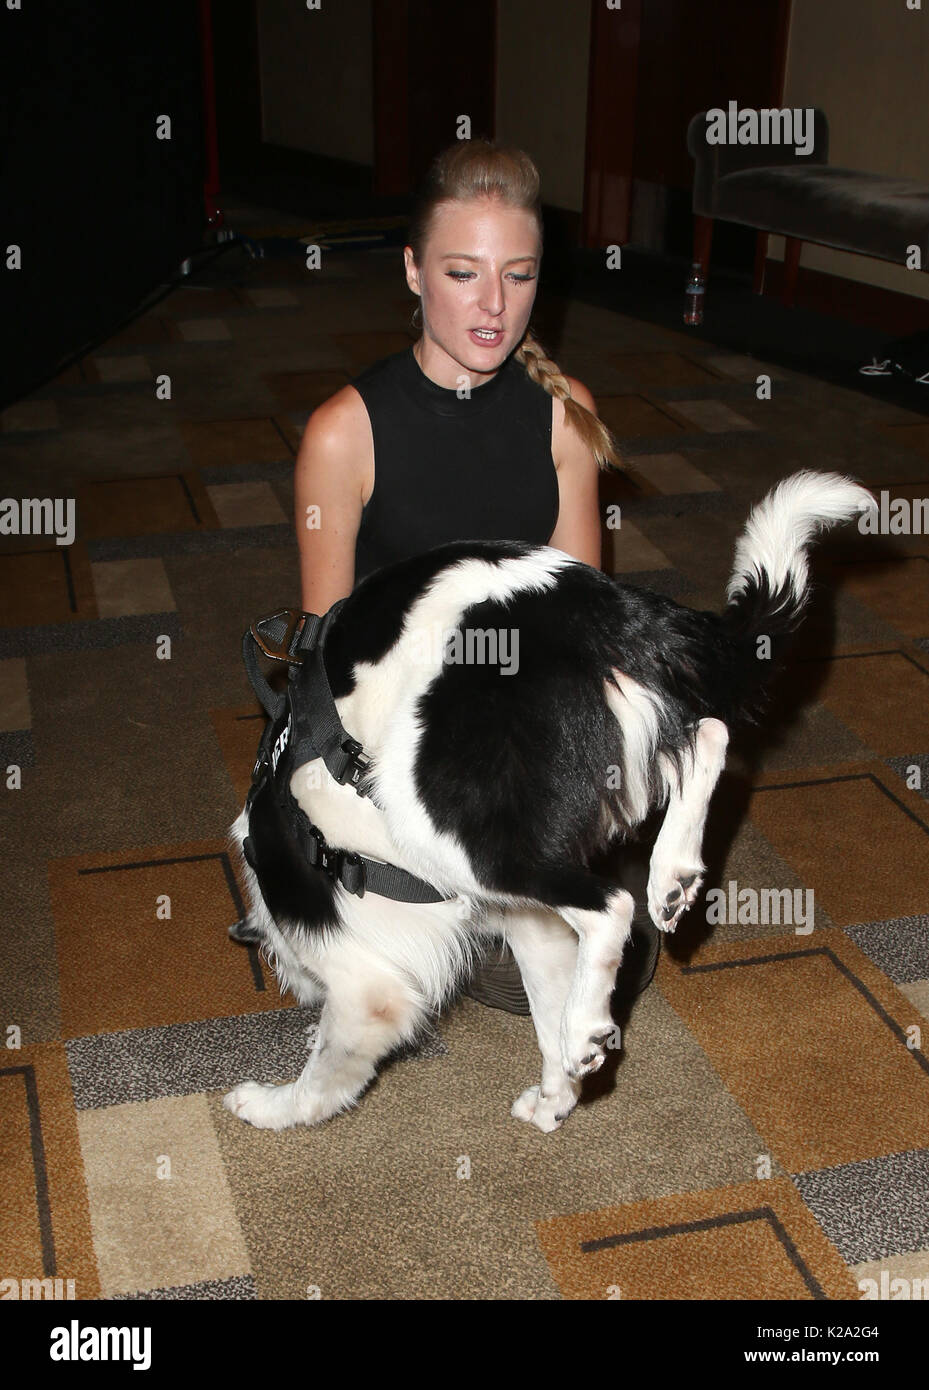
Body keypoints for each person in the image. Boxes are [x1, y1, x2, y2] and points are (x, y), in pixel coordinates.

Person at [234, 138, 660, 1011]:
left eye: (519, 274)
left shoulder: (563, 413)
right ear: (413, 272)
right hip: (396, 729)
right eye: (463, 273)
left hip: (515, 725)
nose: (494, 307)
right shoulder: (342, 434)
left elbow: (579, 630)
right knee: (382, 960)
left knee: (613, 965)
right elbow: (330, 662)